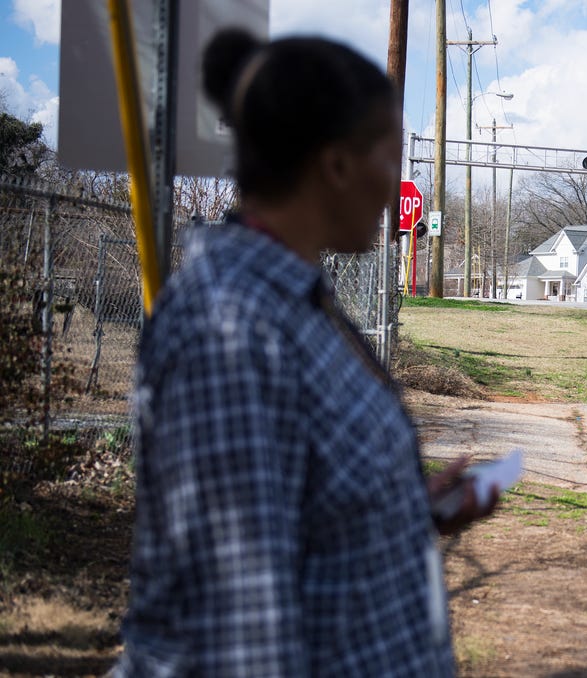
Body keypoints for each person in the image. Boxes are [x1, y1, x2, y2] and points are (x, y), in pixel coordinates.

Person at [112, 28, 495, 677]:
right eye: (391, 156)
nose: (397, 187)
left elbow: (302, 517)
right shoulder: (229, 330)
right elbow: (243, 637)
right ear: (338, 164)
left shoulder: (294, 299)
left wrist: (411, 508)